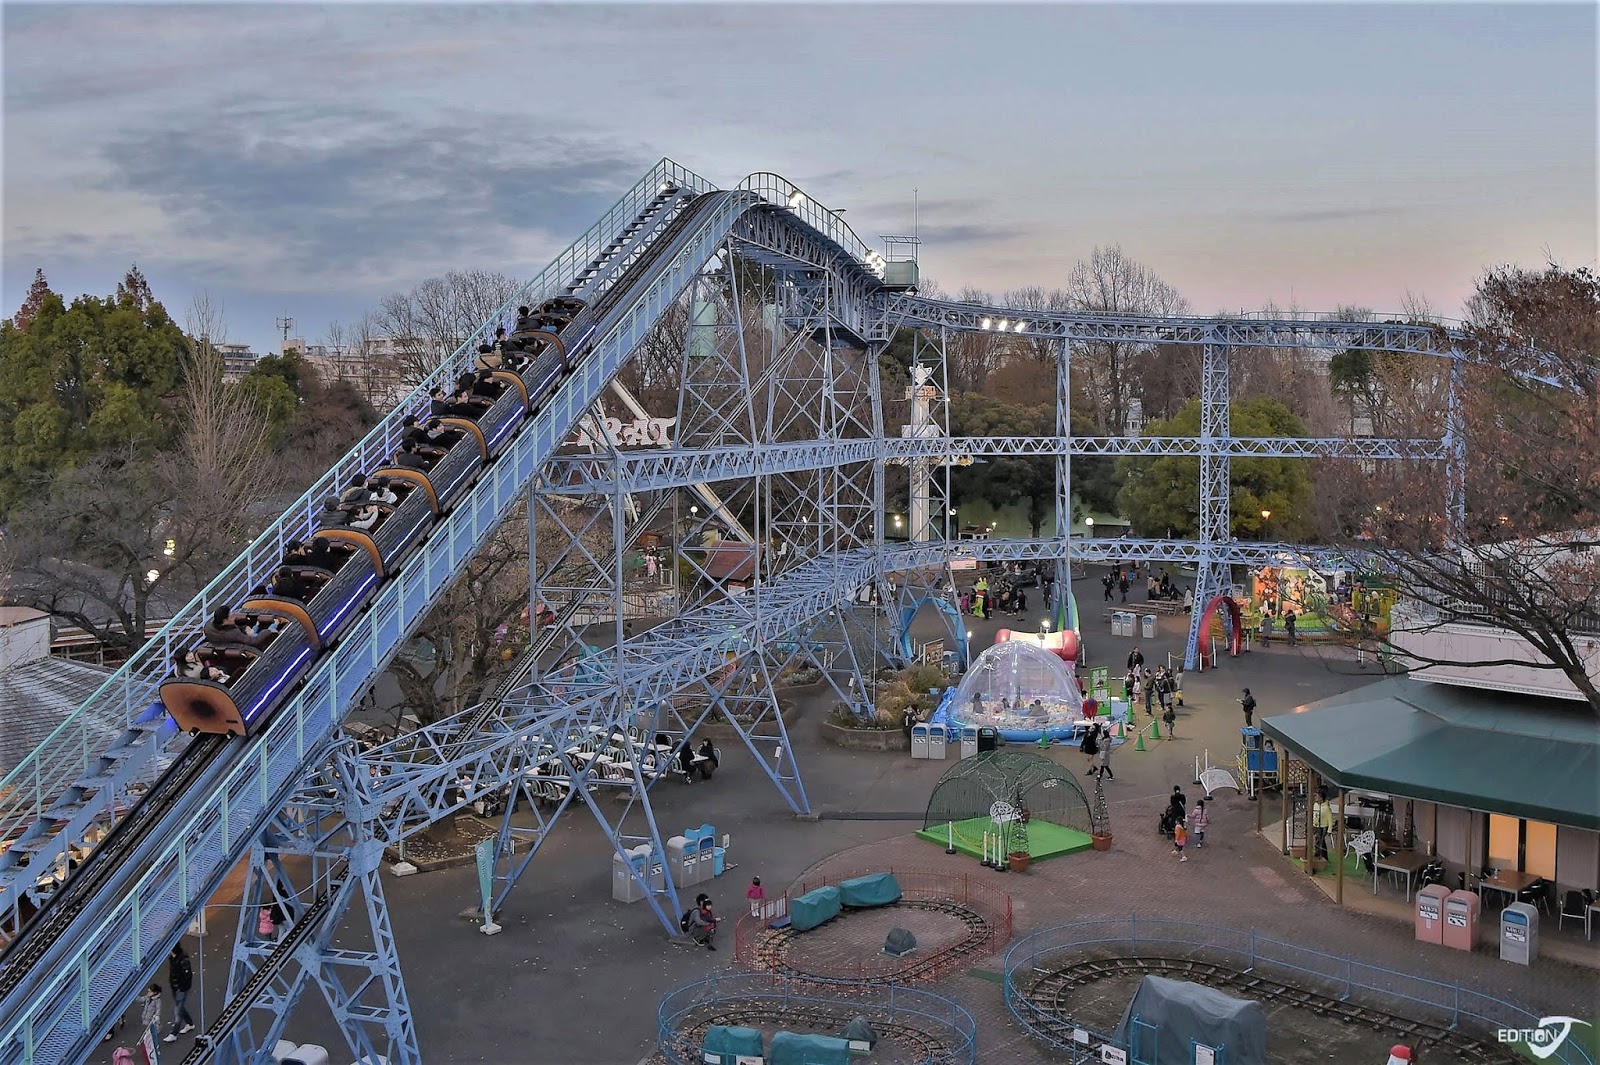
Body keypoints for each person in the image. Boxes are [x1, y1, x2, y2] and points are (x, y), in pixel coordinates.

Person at [164, 944, 196, 1042]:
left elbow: (188, 976)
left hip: (181, 989)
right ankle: (190, 1024)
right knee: (180, 1007)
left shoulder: (183, 961)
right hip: (175, 987)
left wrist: (181, 988)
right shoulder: (173, 958)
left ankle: (174, 1033)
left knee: (178, 1011)